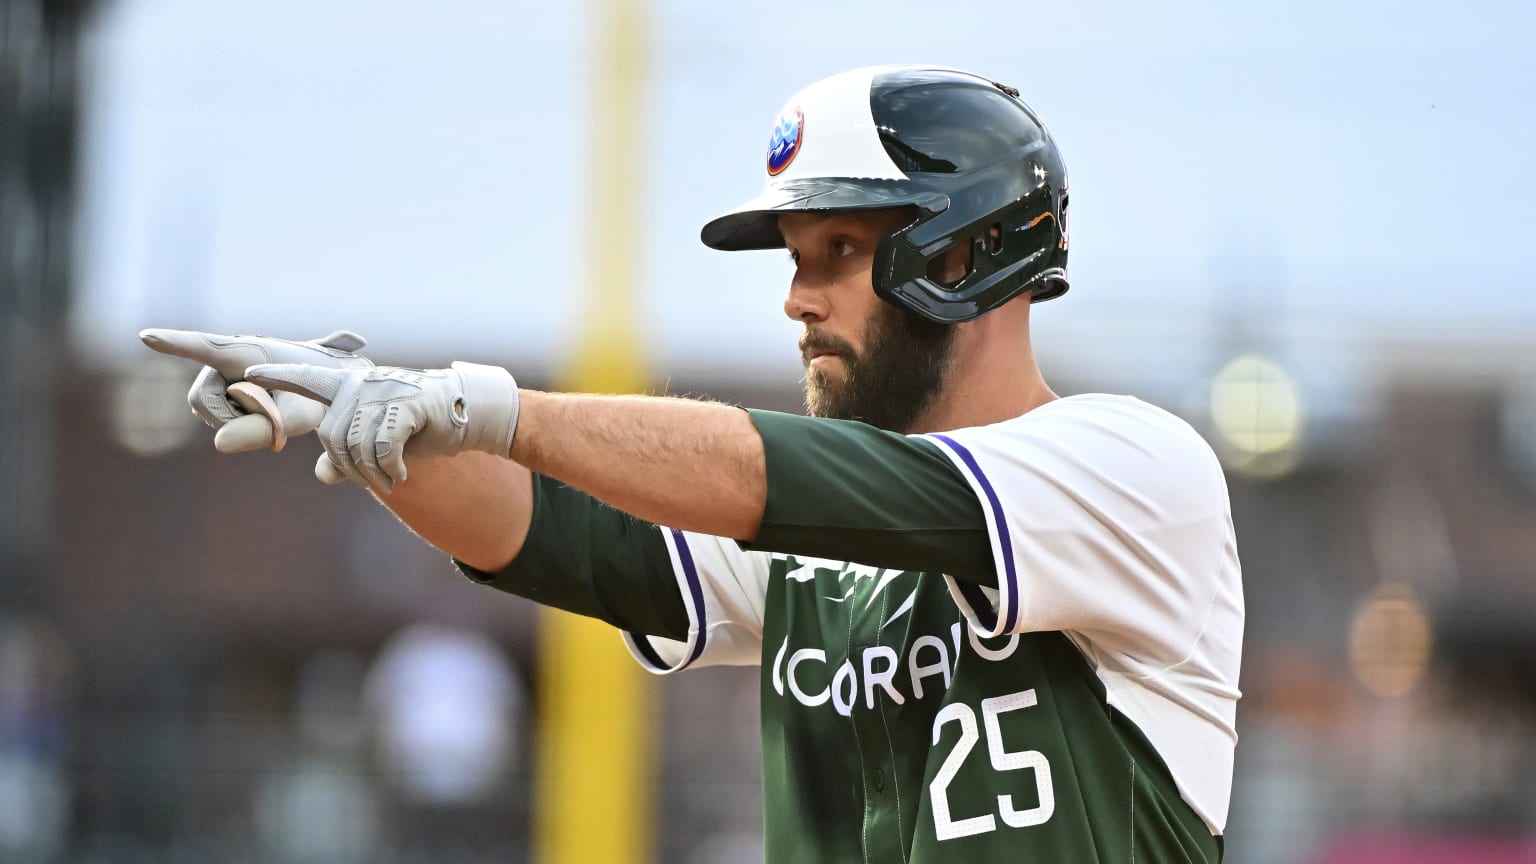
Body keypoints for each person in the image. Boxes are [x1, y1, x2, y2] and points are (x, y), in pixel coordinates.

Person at [142, 65, 1243, 863]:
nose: (796, 298)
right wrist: (368, 418)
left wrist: (480, 402)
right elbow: (555, 533)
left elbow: (786, 478)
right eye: (800, 258)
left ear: (965, 251)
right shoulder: (825, 540)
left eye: (843, 252)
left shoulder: (1137, 470)